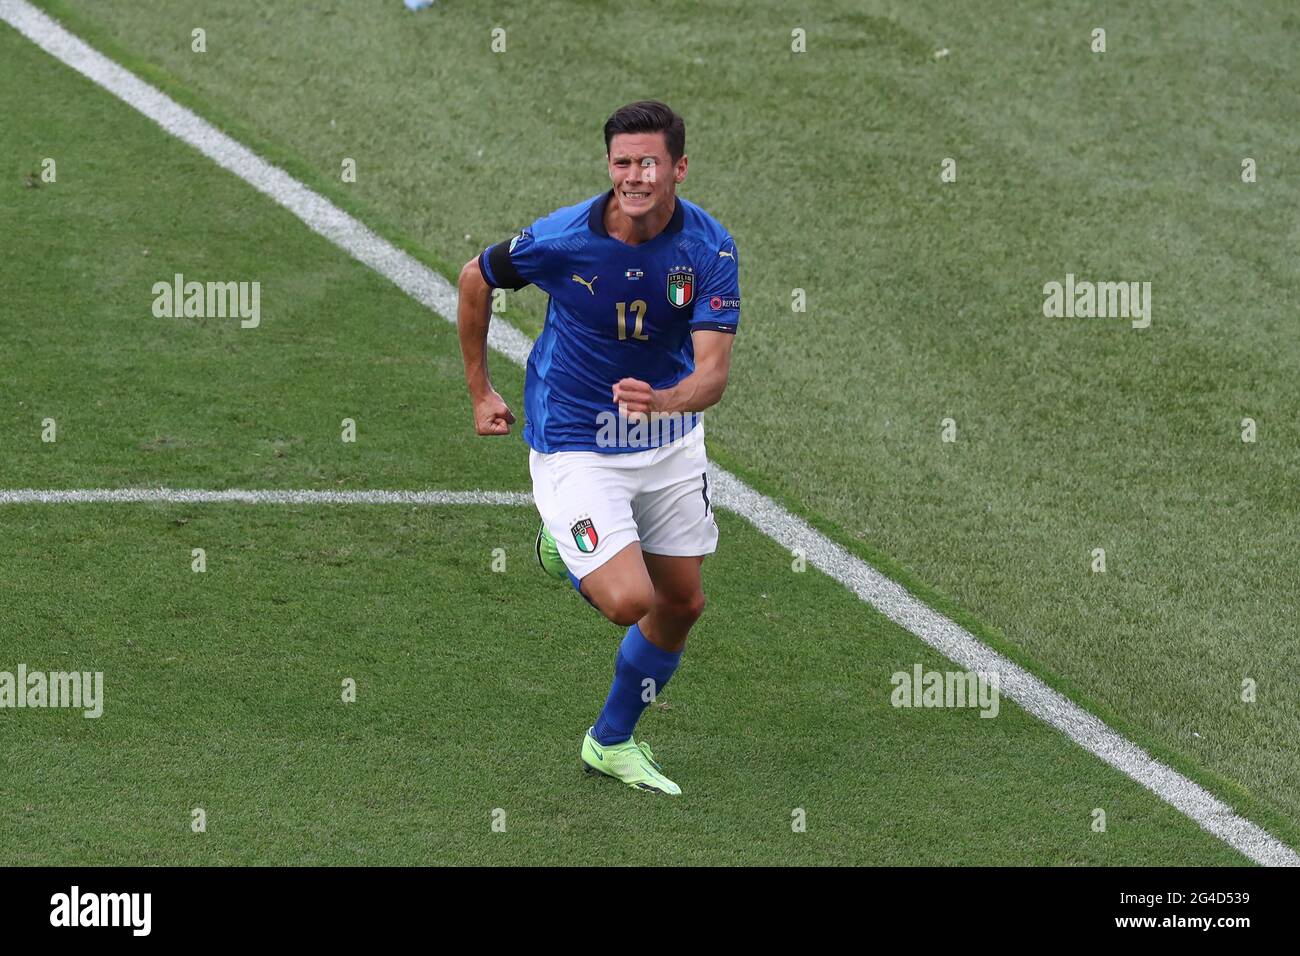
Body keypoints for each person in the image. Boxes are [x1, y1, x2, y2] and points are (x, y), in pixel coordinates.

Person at [456, 100, 740, 794]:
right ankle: (562, 543)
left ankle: (609, 742)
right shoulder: (561, 239)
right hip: (576, 438)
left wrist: (664, 402)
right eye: (623, 162)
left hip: (668, 441)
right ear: (609, 166)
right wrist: (480, 390)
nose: (635, 176)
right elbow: (476, 278)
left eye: (649, 162)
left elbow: (712, 375)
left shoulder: (710, 249)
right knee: (627, 600)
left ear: (678, 166)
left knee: (683, 604)